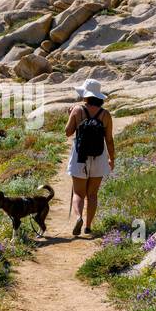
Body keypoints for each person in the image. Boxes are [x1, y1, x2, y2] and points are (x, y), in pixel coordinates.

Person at [65, 78, 115, 237]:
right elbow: (109, 139)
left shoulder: (77, 110)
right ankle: (87, 226)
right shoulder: (105, 114)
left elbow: (68, 132)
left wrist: (70, 115)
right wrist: (111, 159)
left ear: (85, 95)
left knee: (78, 193)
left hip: (80, 156)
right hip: (99, 157)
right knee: (92, 194)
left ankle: (78, 217)